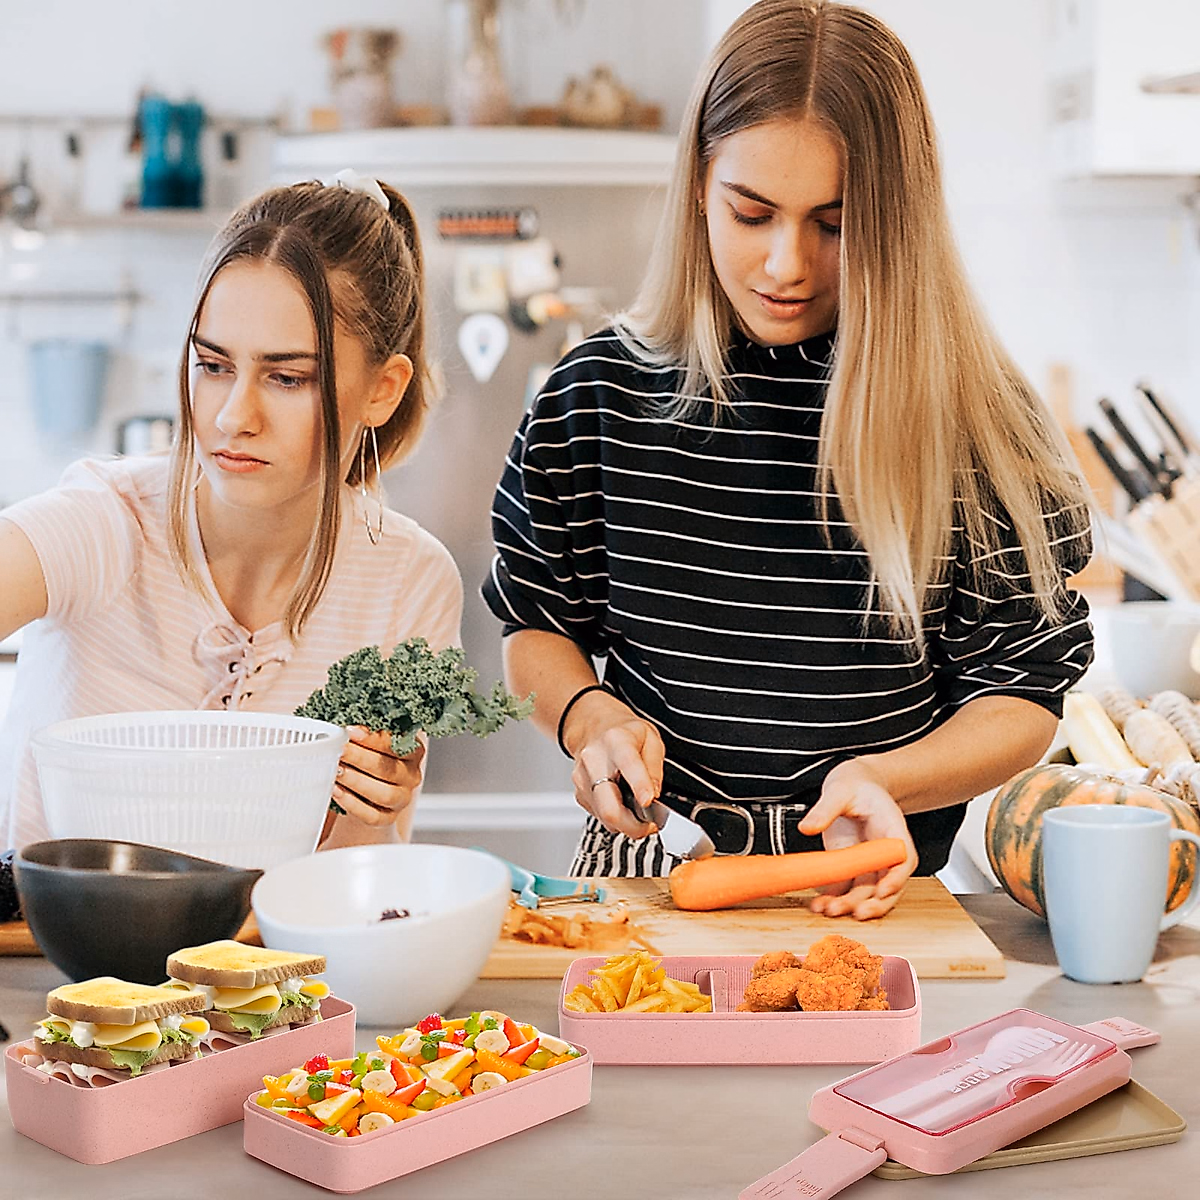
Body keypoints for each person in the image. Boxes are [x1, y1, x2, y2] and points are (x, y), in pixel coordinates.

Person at [484, 0, 1094, 918]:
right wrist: (589, 717)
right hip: (649, 882)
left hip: (876, 887)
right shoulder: (595, 395)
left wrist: (888, 779)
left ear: (900, 219)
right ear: (699, 185)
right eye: (752, 213)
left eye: (835, 224)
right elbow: (535, 626)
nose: (786, 265)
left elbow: (1022, 695)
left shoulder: (978, 420)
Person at [0, 170, 462, 853]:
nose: (232, 417)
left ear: (383, 390)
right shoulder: (105, 521)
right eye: (213, 365)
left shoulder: (409, 582)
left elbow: (347, 884)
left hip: (281, 929)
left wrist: (372, 805)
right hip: (50, 927)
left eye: (287, 378)